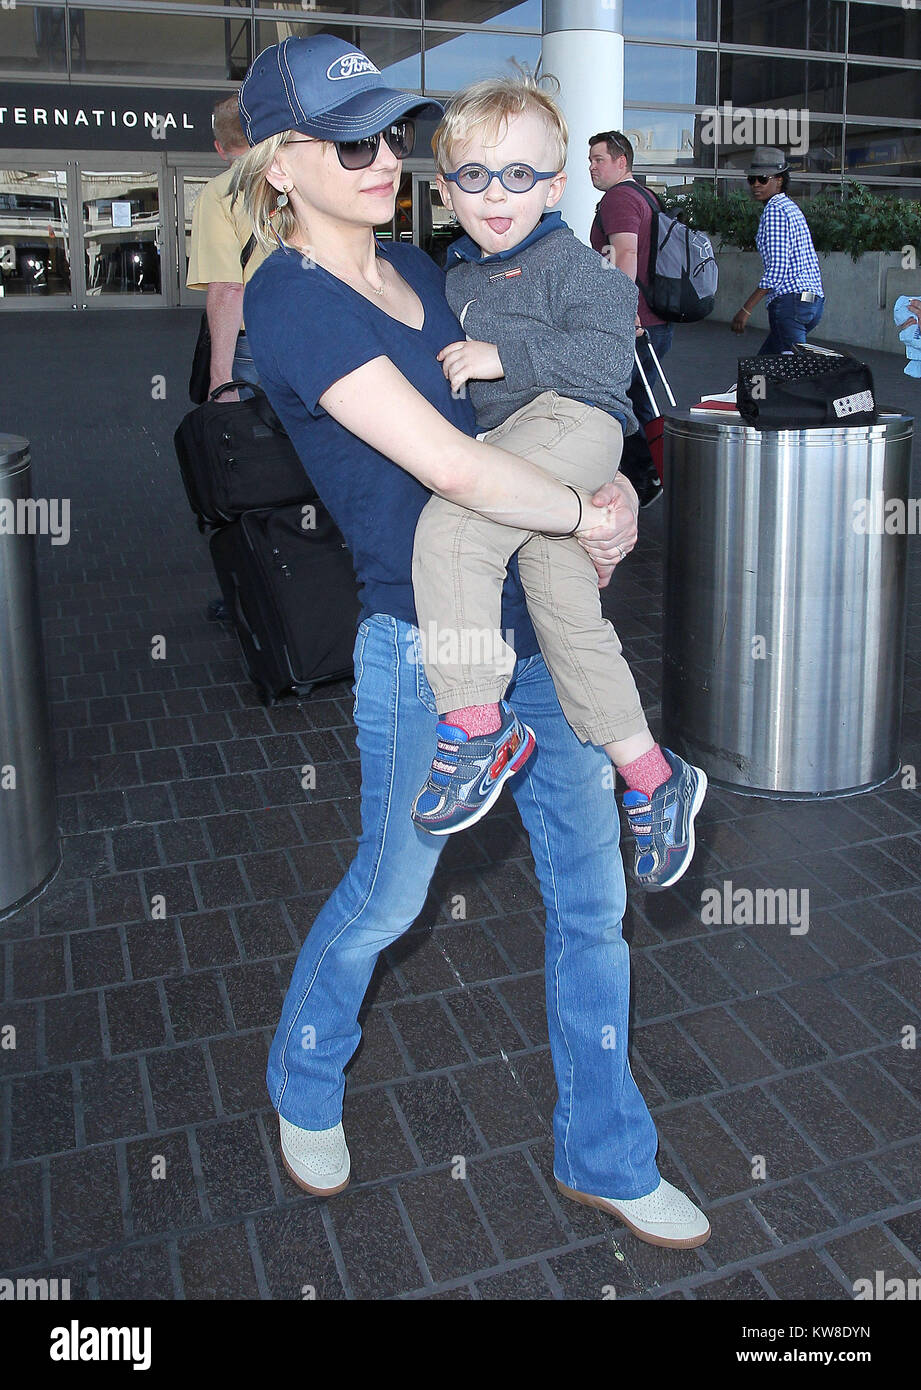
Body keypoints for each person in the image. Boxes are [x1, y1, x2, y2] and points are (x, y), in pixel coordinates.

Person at [231, 33, 711, 1249]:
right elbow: (448, 465)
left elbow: (556, 400)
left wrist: (602, 497)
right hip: (425, 650)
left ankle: (606, 1152)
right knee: (388, 902)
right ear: (280, 166)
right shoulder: (291, 300)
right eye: (352, 143)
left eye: (393, 135)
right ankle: (301, 1073)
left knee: (592, 907)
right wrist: (596, 511)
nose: (384, 158)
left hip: (540, 631)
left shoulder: (425, 265)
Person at [409, 75, 706, 894]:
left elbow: (612, 356)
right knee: (568, 614)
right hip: (520, 441)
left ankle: (474, 723)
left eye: (519, 175)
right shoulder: (459, 275)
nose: (495, 195)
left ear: (555, 184)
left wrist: (506, 359)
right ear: (443, 189)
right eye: (473, 176)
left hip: (572, 421)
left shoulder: (568, 262)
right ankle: (651, 775)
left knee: (454, 527)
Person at [589, 129, 670, 508]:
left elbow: (626, 256)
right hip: (655, 317)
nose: (592, 167)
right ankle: (658, 470)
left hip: (635, 321)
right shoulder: (646, 196)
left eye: (599, 159)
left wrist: (620, 315)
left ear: (622, 162)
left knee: (627, 403)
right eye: (590, 160)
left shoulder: (619, 198)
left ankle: (645, 476)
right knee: (643, 398)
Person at [186, 95, 269, 402]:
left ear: (220, 149)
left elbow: (228, 289)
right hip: (312, 332)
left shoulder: (220, 193)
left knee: (254, 439)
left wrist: (221, 379)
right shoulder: (296, 181)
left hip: (255, 342)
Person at [730, 146, 824, 354]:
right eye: (751, 179)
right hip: (811, 302)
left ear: (779, 180)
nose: (756, 184)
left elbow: (776, 270)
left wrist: (746, 309)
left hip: (790, 303)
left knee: (793, 370)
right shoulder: (791, 207)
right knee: (765, 368)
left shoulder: (774, 210)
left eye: (763, 179)